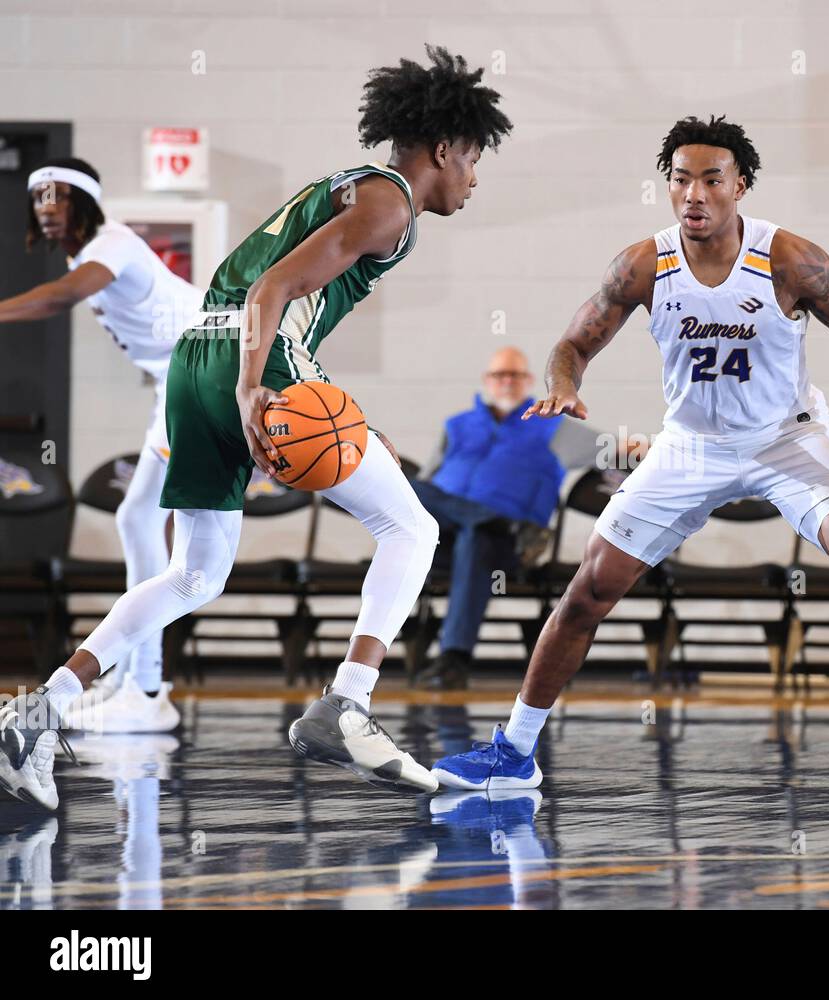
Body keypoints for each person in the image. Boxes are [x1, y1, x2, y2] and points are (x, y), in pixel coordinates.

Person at [0, 45, 512, 810]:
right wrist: (252, 390)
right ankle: (348, 703)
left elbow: (260, 283)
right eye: (473, 159)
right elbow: (273, 289)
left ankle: (40, 712)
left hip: (193, 360)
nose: (475, 178)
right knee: (414, 529)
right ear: (443, 148)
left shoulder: (345, 184)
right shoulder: (391, 202)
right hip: (254, 358)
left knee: (196, 574)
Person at [433, 115, 829, 801]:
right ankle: (514, 753)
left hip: (788, 438)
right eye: (680, 180)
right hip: (691, 447)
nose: (693, 193)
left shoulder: (789, 259)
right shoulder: (643, 263)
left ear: (740, 186)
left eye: (710, 180)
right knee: (589, 590)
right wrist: (563, 387)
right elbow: (571, 344)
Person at [0, 157, 202, 732]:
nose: (45, 207)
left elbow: (57, 298)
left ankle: (144, 688)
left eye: (56, 196)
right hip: (177, 377)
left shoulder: (111, 243)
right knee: (138, 522)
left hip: (200, 367)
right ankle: (135, 682)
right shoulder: (88, 252)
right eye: (37, 197)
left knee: (151, 528)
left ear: (85, 201)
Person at [411, 345, 643, 689]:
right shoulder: (457, 426)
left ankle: (453, 660)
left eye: (514, 375)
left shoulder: (553, 427)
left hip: (510, 544)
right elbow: (426, 488)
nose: (506, 381)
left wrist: (660, 447)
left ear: (530, 381)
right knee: (407, 486)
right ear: (486, 381)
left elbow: (619, 447)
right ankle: (484, 517)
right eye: (499, 375)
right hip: (441, 539)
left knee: (478, 541)